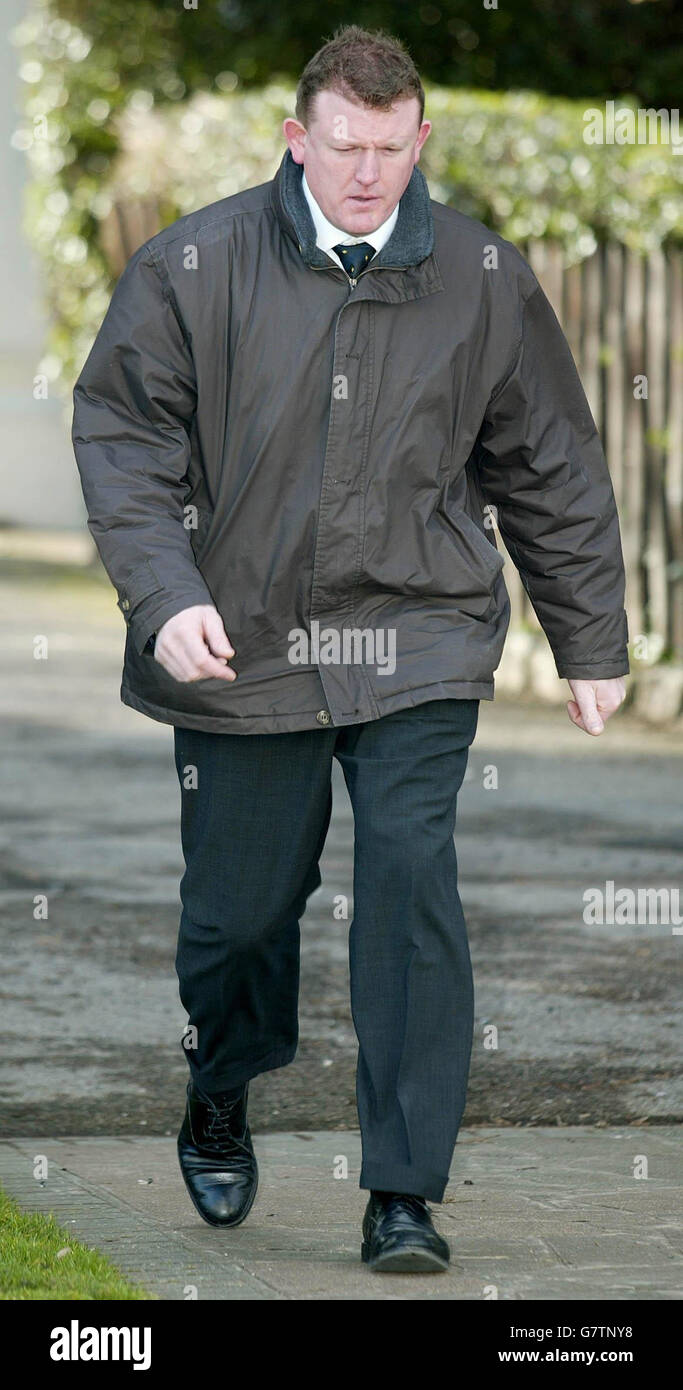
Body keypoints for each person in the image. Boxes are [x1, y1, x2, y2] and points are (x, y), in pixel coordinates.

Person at [72, 25, 629, 1274]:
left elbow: (545, 461)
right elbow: (121, 438)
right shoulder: (193, 265)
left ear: (416, 141)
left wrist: (588, 635)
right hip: (240, 641)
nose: (368, 173)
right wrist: (164, 596)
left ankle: (402, 1192)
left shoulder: (482, 274)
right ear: (295, 139)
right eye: (344, 147)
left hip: (414, 634)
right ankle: (222, 1079)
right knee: (237, 919)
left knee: (409, 887)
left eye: (389, 149)